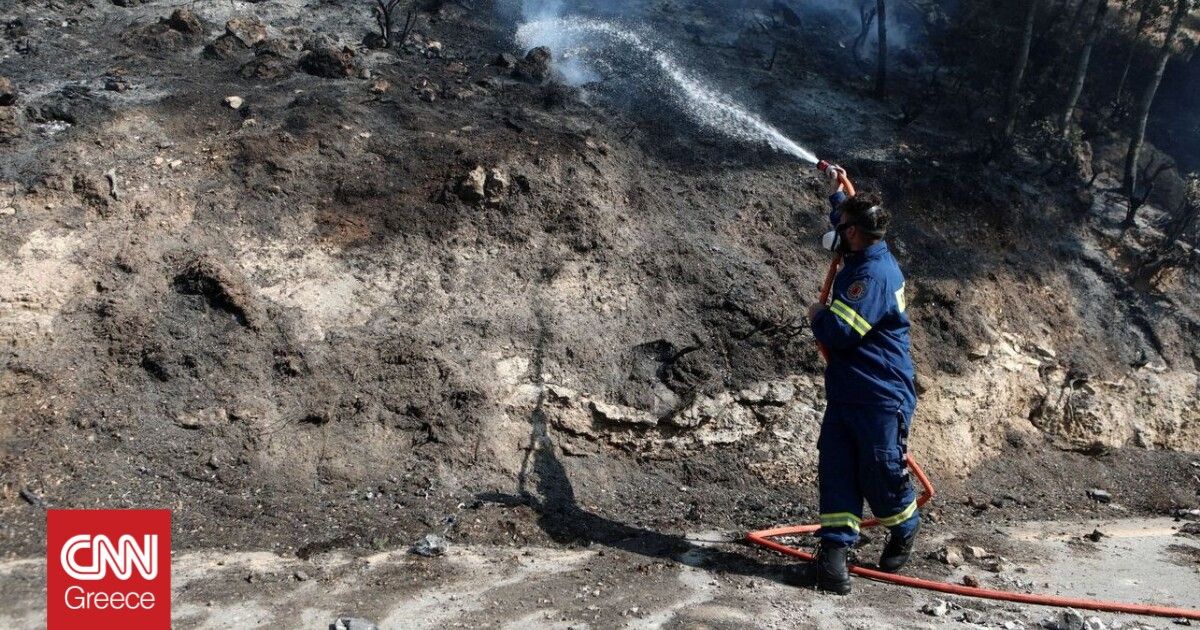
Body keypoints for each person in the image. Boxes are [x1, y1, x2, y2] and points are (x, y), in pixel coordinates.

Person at [804, 166, 919, 595]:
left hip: (879, 394)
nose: (834, 234)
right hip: (848, 391)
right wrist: (838, 194)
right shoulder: (861, 252)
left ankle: (905, 524)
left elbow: (840, 333)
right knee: (835, 468)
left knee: (879, 473)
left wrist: (817, 316)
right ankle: (834, 558)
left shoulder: (871, 276)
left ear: (855, 233)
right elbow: (846, 220)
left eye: (842, 228)